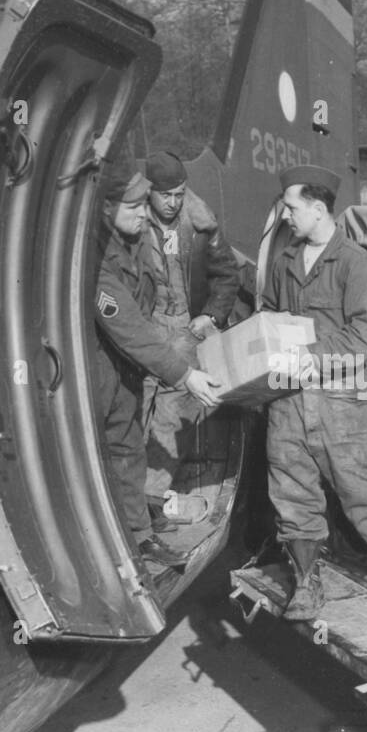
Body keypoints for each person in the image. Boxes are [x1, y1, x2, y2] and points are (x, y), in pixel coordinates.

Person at [261, 164, 367, 620]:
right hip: (289, 400)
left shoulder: (359, 265)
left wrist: (307, 356)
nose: (286, 218)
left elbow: (365, 338)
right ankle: (305, 583)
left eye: (292, 209)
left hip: (344, 403)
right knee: (292, 492)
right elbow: (271, 316)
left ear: (319, 209)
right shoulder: (284, 263)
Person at [92, 162, 223, 570]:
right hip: (97, 371)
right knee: (98, 455)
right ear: (107, 209)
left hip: (126, 371)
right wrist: (184, 374)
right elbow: (129, 326)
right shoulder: (95, 260)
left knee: (129, 452)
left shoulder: (131, 241)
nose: (143, 213)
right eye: (132, 208)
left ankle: (141, 539)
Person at [139, 150, 241, 531]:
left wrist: (210, 316)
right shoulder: (131, 221)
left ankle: (151, 500)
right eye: (165, 195)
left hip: (183, 326)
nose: (173, 202)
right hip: (145, 329)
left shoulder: (200, 223)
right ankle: (131, 502)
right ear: (149, 192)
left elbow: (227, 274)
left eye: (180, 193)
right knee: (135, 413)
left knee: (172, 416)